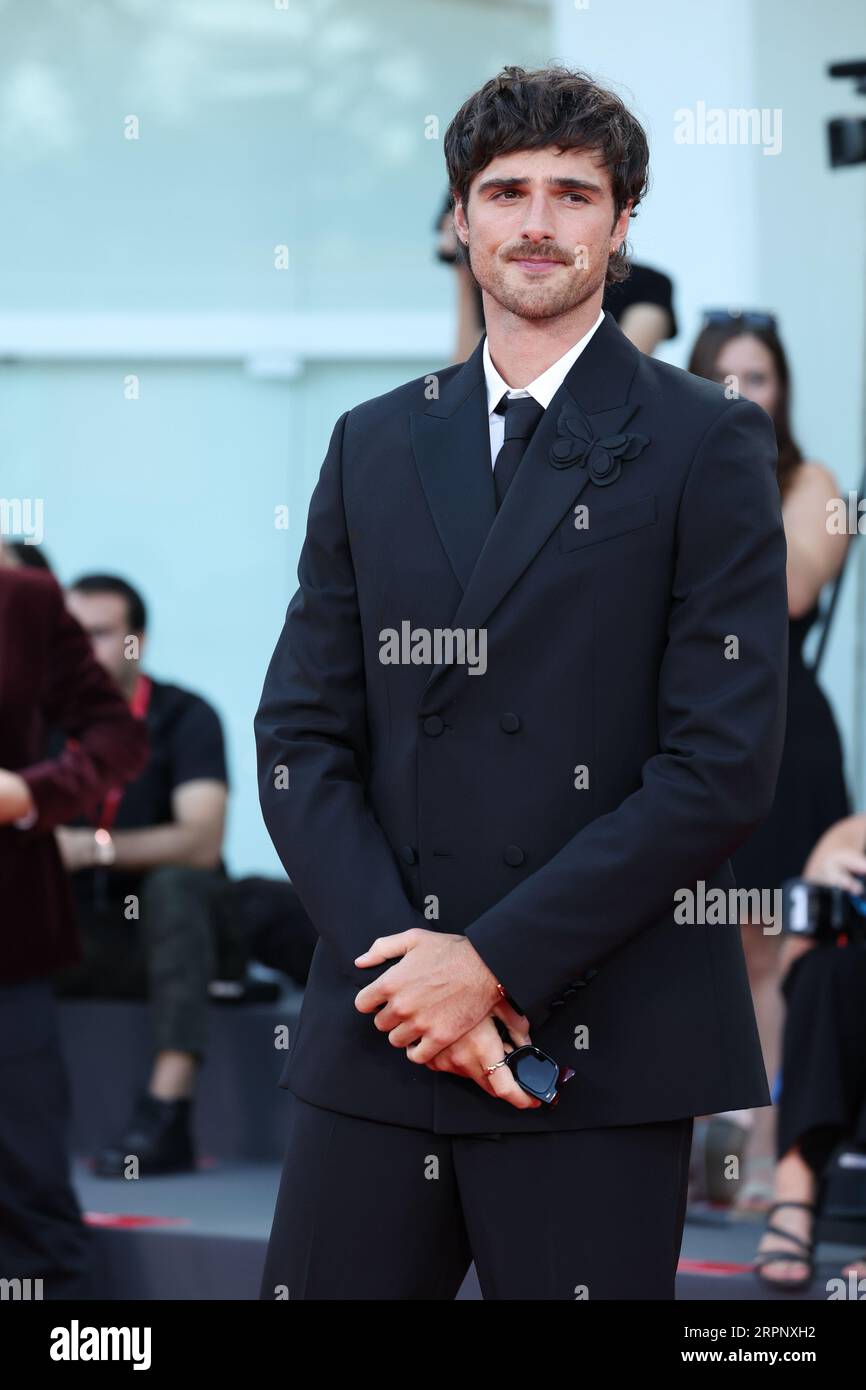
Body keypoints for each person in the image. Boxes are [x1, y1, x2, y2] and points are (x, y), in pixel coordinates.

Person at [255, 63, 788, 1301]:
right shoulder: (375, 438)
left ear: (619, 221)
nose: (535, 222)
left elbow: (717, 767)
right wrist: (410, 973)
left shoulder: (707, 437)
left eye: (573, 193)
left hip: (593, 1037)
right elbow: (300, 734)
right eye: (504, 191)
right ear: (460, 218)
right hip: (384, 1033)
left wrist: (486, 963)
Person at [688, 313, 850, 1208]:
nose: (744, 393)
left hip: (786, 735)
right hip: (697, 728)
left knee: (772, 947)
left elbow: (785, 587)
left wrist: (730, 464)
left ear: (783, 388)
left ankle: (766, 1152)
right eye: (725, 378)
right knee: (692, 942)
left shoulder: (808, 479)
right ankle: (697, 1149)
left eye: (760, 377)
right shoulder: (671, 467)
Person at [0, 554, 148, 1296]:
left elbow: (118, 739)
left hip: (9, 949)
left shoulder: (21, 601)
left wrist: (28, 792)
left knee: (30, 1203)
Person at [51, 575, 230, 1176]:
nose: (81, 651)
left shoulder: (186, 716)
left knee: (176, 883)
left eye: (99, 634)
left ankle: (166, 1109)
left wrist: (91, 848)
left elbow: (202, 841)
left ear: (137, 642)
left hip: (178, 932)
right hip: (91, 940)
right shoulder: (48, 727)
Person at [752, 811, 866, 1289]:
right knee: (824, 970)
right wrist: (826, 884)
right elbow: (791, 967)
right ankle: (793, 1192)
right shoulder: (853, 834)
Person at [436, 189, 677, 359]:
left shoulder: (649, 284)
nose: (534, 228)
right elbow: (469, 379)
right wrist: (463, 269)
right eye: (508, 197)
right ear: (463, 222)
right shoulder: (499, 286)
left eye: (573, 198)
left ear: (619, 222)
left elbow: (620, 372)